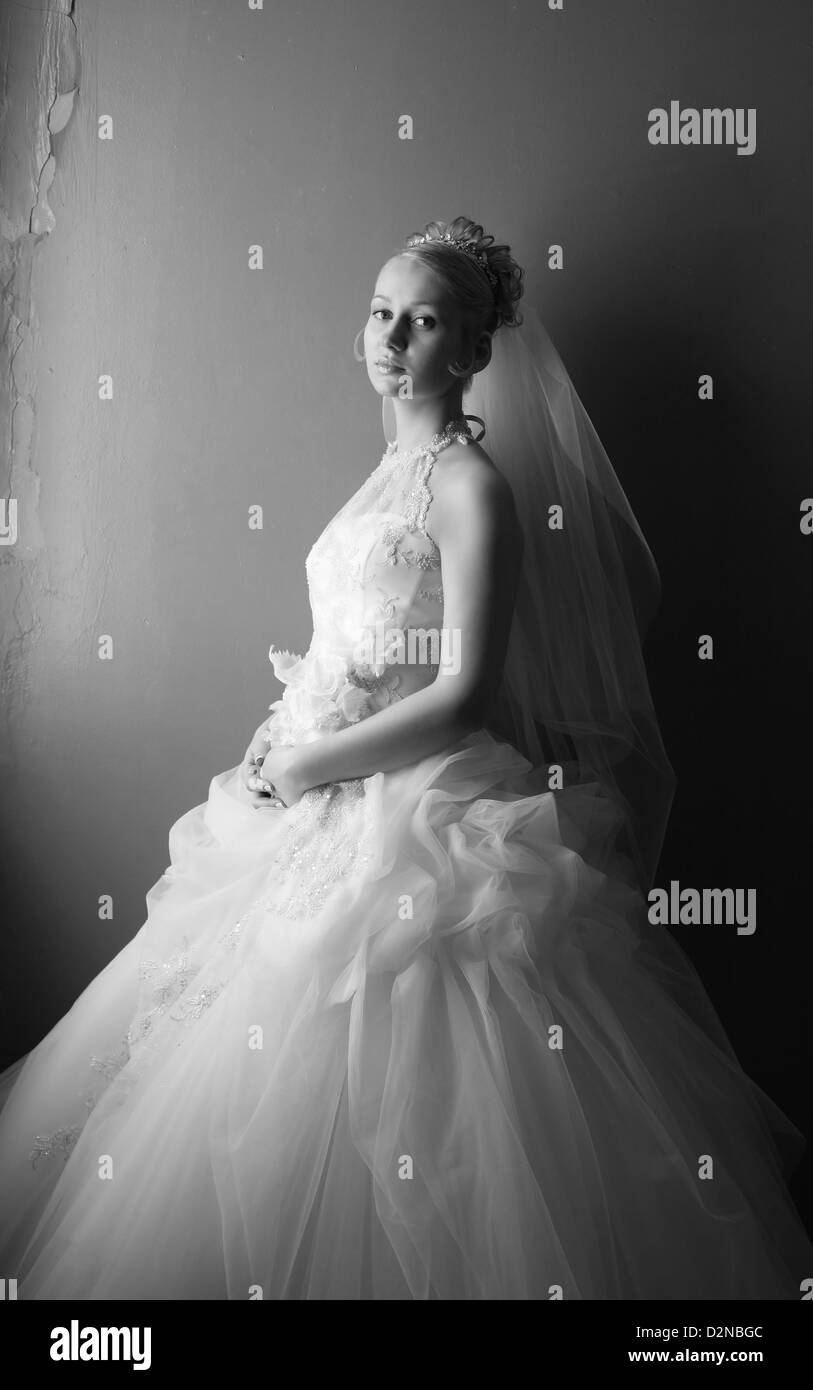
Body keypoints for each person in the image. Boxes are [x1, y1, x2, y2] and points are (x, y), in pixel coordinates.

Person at [0, 216, 810, 1300]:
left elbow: (463, 690)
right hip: (316, 782)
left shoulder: (475, 491)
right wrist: (282, 732)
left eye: (424, 322)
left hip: (410, 811)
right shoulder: (388, 475)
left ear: (470, 353)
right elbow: (354, 647)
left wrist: (313, 762)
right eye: (381, 312)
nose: (392, 337)